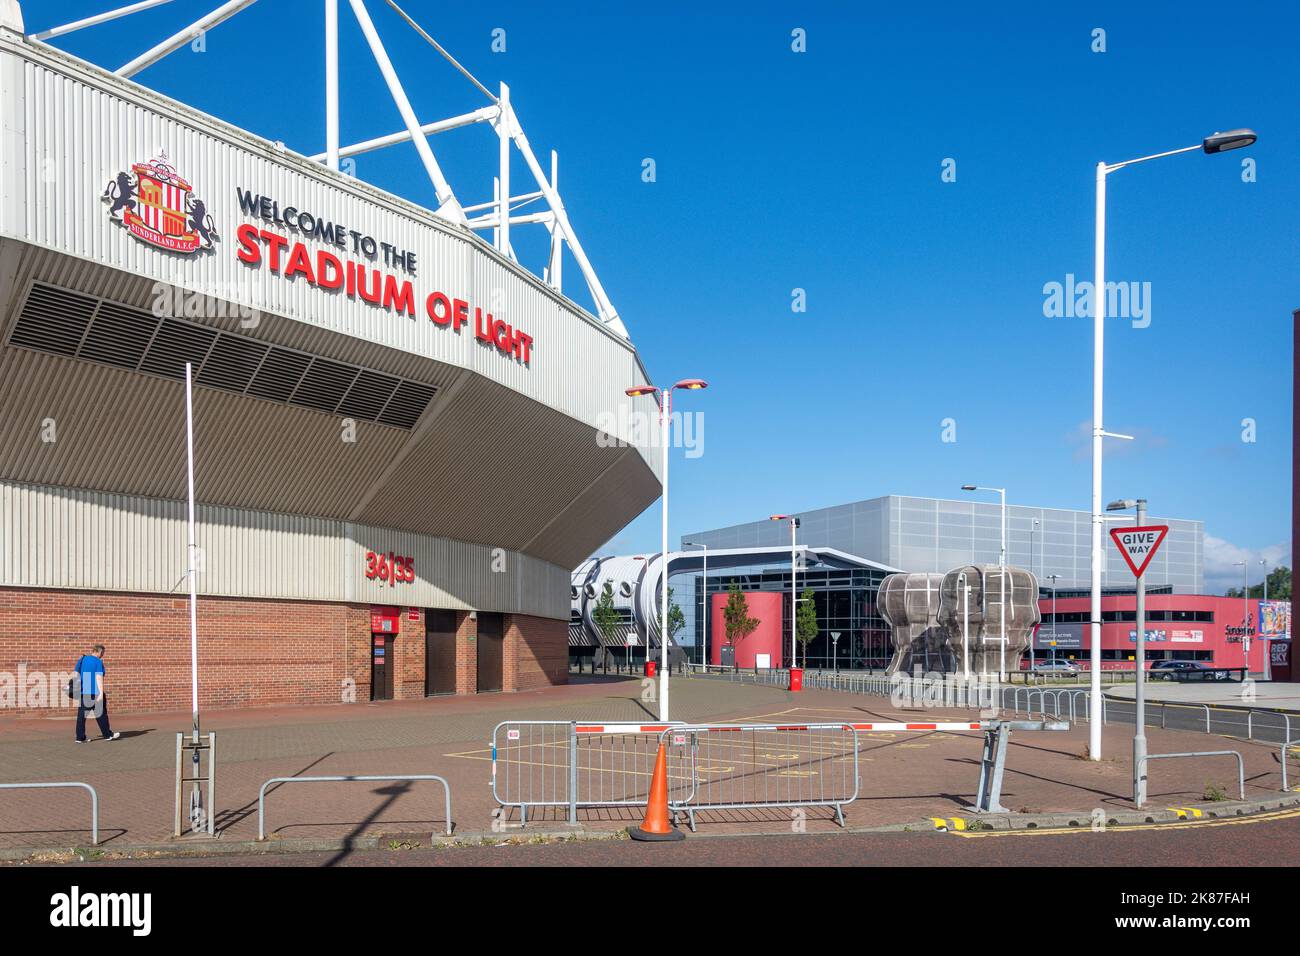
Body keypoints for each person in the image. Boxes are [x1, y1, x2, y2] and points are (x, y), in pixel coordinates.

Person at [74, 645, 120, 743]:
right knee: (101, 714)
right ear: (99, 652)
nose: (102, 655)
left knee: (81, 716)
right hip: (94, 691)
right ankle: (108, 735)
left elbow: (76, 673)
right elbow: (99, 677)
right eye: (103, 653)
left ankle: (79, 737)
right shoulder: (98, 662)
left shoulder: (82, 659)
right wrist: (100, 693)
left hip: (83, 691)